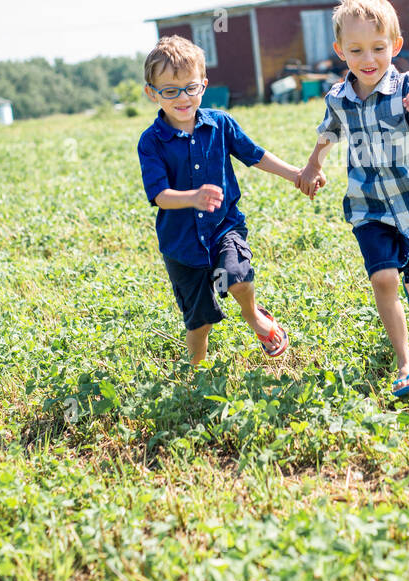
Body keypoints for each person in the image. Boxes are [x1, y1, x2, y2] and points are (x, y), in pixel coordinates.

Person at [296, 0, 409, 398]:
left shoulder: (408, 86)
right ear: (340, 51)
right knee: (384, 277)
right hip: (367, 205)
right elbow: (329, 130)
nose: (368, 59)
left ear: (395, 46)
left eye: (378, 48)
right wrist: (314, 163)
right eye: (356, 50)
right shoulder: (338, 97)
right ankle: (406, 363)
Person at [137, 35, 323, 364]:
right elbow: (160, 196)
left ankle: (253, 316)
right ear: (153, 93)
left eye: (190, 88)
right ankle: (196, 372)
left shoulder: (220, 124)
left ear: (204, 85)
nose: (183, 98)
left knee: (237, 276)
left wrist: (296, 173)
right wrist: (192, 197)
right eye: (170, 90)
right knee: (200, 320)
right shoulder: (151, 141)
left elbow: (254, 155)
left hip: (224, 226)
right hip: (181, 244)